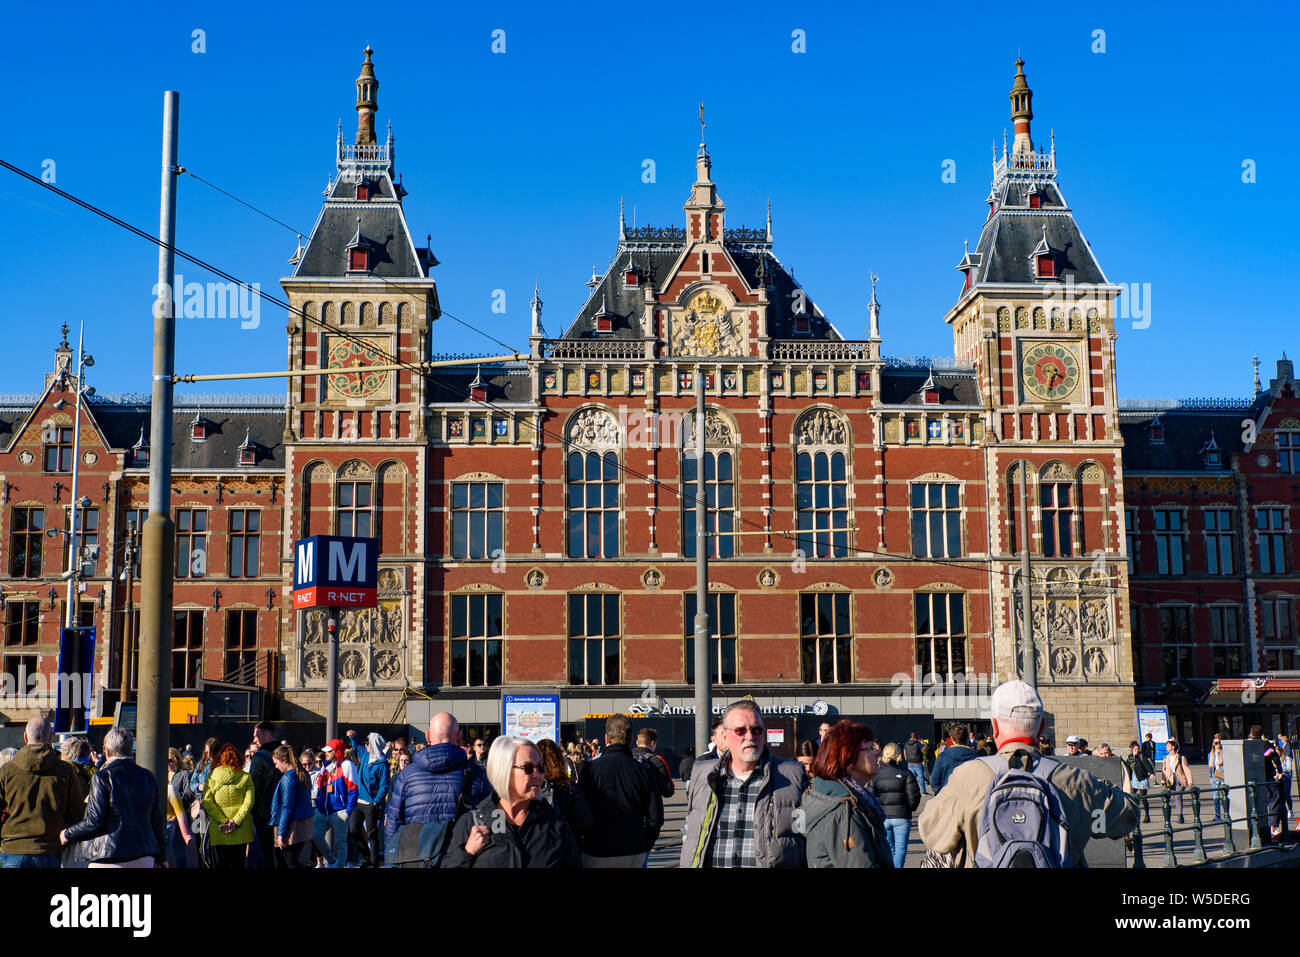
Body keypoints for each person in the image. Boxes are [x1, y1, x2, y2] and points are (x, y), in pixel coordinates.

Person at [918, 680, 1137, 867]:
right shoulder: (1075, 781)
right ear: (1041, 727)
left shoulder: (967, 777)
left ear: (994, 727)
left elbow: (932, 833)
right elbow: (1128, 817)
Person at [681, 699, 806, 868]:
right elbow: (692, 832)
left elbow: (807, 838)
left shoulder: (792, 775)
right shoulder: (703, 773)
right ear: (724, 737)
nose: (750, 736)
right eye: (740, 731)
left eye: (756, 730)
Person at [443, 736, 582, 868]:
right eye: (528, 768)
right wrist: (467, 853)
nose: (538, 775)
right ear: (504, 771)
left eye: (540, 768)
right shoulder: (472, 824)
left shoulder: (555, 825)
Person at [384, 712, 491, 853]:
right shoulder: (478, 773)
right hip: (461, 857)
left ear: (428, 737)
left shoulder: (406, 775)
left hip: (417, 856)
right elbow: (490, 823)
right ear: (459, 736)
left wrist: (392, 859)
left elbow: (393, 821)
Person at [61, 727, 164, 868]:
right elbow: (156, 820)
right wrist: (162, 856)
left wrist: (67, 833)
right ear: (129, 749)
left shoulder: (102, 777)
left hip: (108, 854)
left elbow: (94, 820)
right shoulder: (148, 776)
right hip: (144, 853)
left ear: (106, 750)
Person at [577, 715, 663, 867]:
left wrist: (583, 845)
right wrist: (644, 845)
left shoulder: (589, 770)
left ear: (606, 738)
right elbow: (655, 817)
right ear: (631, 740)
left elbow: (578, 813)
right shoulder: (643, 771)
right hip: (633, 851)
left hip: (596, 851)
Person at [804, 721, 892, 868]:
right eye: (870, 748)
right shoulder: (844, 814)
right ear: (849, 759)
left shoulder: (848, 802)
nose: (878, 752)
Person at [0, 716, 84, 868]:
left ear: (25, 737)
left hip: (13, 847)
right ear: (50, 738)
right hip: (50, 848)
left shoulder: (7, 770)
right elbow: (76, 810)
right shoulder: (66, 771)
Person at [203, 743, 256, 868]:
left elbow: (207, 802)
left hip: (219, 829)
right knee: (239, 863)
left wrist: (223, 820)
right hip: (241, 829)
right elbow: (248, 803)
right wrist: (235, 821)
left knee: (221, 863)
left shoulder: (211, 777)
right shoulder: (246, 777)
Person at [869, 742, 921, 868]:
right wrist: (909, 808)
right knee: (901, 850)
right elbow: (914, 796)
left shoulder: (876, 774)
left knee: (890, 849)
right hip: (902, 816)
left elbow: (869, 796)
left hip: (884, 817)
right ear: (898, 754)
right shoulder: (906, 773)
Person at [346, 730, 390, 868]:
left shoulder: (383, 764)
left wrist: (376, 802)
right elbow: (357, 746)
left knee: (372, 834)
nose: (365, 745)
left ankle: (375, 862)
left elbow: (384, 786)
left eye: (368, 743)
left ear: (373, 745)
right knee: (353, 830)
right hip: (359, 801)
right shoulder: (365, 755)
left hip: (371, 804)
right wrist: (354, 737)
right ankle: (367, 855)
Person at [537, 739, 594, 842]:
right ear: (559, 758)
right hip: (567, 843)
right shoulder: (568, 786)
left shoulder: (533, 787)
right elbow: (585, 821)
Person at [313, 738, 357, 868]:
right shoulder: (326, 765)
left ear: (337, 751)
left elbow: (353, 790)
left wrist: (348, 812)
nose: (325, 753)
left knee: (340, 842)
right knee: (316, 835)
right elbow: (319, 786)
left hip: (339, 811)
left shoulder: (347, 765)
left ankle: (340, 865)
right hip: (322, 811)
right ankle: (331, 861)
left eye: (329, 751)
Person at [270, 745, 314, 868]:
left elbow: (287, 807)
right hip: (304, 824)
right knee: (291, 860)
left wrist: (281, 833)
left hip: (291, 827)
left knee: (289, 862)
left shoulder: (288, 777)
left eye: (277, 762)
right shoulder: (303, 773)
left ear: (284, 760)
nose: (276, 766)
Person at [246, 721, 280, 869]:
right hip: (285, 814)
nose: (255, 740)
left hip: (264, 816)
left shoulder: (259, 758)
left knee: (264, 855)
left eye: (257, 735)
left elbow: (252, 788)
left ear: (266, 734)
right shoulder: (287, 754)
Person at [188, 737, 221, 867]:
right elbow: (192, 783)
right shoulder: (202, 764)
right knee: (199, 839)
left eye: (210, 752)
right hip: (201, 805)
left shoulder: (220, 765)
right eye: (206, 752)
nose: (208, 755)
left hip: (214, 806)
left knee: (211, 841)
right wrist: (199, 786)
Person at [165, 747, 195, 868]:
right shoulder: (162, 774)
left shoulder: (183, 774)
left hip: (179, 819)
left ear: (176, 759)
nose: (167, 763)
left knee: (180, 853)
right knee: (164, 853)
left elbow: (188, 794)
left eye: (170, 760)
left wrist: (175, 798)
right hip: (166, 818)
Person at [930, 722, 978, 793]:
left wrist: (942, 794)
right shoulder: (976, 757)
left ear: (952, 738)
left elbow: (934, 782)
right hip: (969, 798)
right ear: (967, 738)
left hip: (948, 797)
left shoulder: (943, 756)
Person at [631, 727, 675, 799]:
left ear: (637, 742)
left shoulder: (626, 757)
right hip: (651, 806)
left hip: (628, 806)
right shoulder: (657, 761)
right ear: (652, 743)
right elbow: (668, 791)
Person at [1161, 739, 1193, 825]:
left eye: (1168, 745)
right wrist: (1163, 781)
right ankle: (1178, 813)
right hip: (1171, 779)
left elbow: (1186, 769)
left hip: (1179, 779)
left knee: (1178, 796)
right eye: (1166, 745)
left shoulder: (1180, 757)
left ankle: (1180, 815)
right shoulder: (1166, 758)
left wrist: (1190, 781)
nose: (1167, 747)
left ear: (1173, 746)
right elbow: (1164, 770)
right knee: (1174, 797)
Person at [1124, 740, 1156, 824]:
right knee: (1131, 796)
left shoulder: (1141, 756)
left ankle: (1147, 816)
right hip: (1134, 779)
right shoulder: (1130, 757)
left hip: (1142, 778)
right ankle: (1132, 815)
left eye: (1138, 749)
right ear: (1132, 749)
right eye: (1135, 749)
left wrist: (1152, 773)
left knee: (1143, 797)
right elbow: (1127, 767)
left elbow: (1146, 764)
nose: (1137, 750)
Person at [1207, 738, 1227, 822]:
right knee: (1216, 796)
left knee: (1224, 796)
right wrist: (1210, 777)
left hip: (1223, 776)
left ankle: (1226, 813)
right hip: (1215, 776)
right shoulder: (1210, 755)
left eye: (1219, 743)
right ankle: (1217, 814)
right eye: (1216, 743)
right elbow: (1209, 767)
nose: (1218, 745)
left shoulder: (1224, 753)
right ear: (1213, 744)